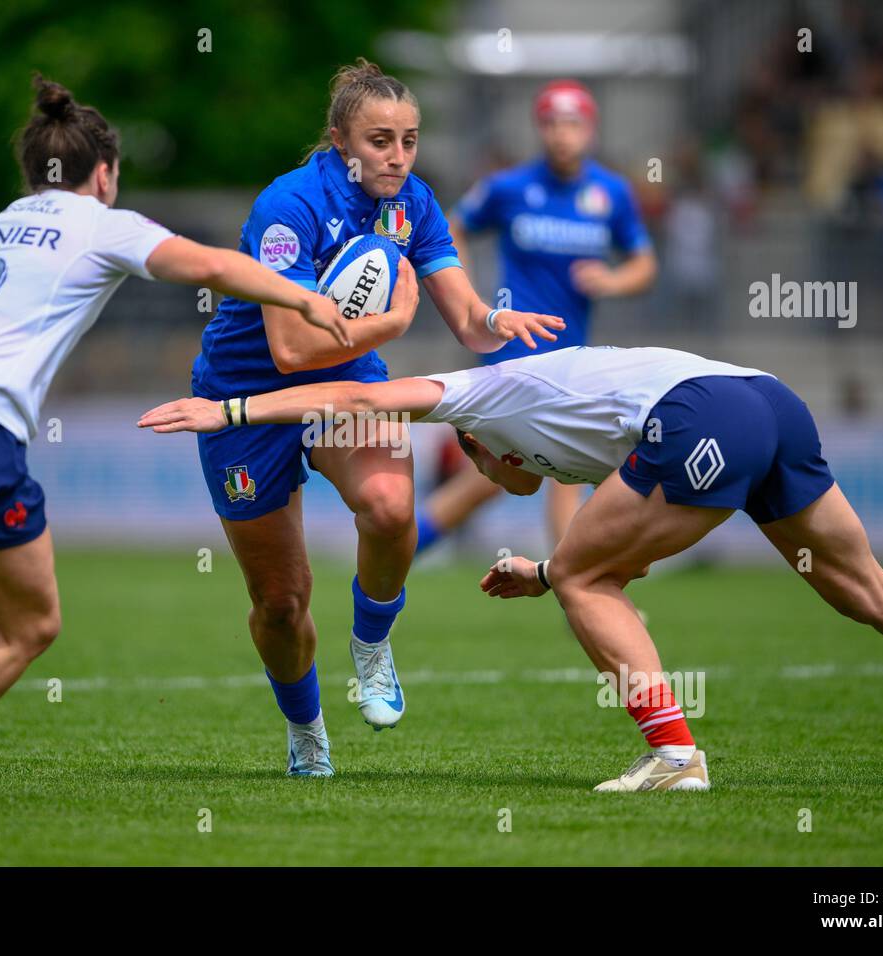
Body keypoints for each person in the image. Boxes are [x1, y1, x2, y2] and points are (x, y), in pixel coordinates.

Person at [0, 75, 353, 807]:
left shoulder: (3, 220)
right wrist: (301, 293)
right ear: (103, 173)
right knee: (32, 625)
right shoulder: (100, 224)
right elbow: (205, 265)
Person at [139, 345, 883, 790]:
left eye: (483, 467)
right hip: (768, 401)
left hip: (704, 411)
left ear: (477, 447)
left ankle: (674, 757)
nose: (502, 482)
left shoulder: (480, 396)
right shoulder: (546, 420)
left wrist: (233, 408)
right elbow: (637, 536)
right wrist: (554, 569)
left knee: (589, 580)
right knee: (868, 591)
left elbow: (362, 398)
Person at [189, 58, 563, 776]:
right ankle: (306, 736)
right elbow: (292, 349)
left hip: (349, 384)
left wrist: (495, 316)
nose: (398, 157)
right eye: (380, 140)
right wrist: (392, 326)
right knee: (279, 602)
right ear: (340, 142)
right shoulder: (288, 206)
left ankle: (371, 646)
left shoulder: (415, 204)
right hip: (246, 399)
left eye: (410, 140)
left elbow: (466, 320)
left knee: (392, 510)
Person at [417, 80, 657, 553]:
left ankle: (396, 551)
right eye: (551, 123)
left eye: (572, 123)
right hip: (514, 355)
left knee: (490, 487)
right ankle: (583, 592)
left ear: (590, 129)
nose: (561, 134)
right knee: (561, 475)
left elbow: (644, 264)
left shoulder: (611, 193)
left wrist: (611, 281)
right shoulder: (509, 188)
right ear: (539, 129)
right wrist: (469, 299)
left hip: (573, 361)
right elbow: (450, 230)